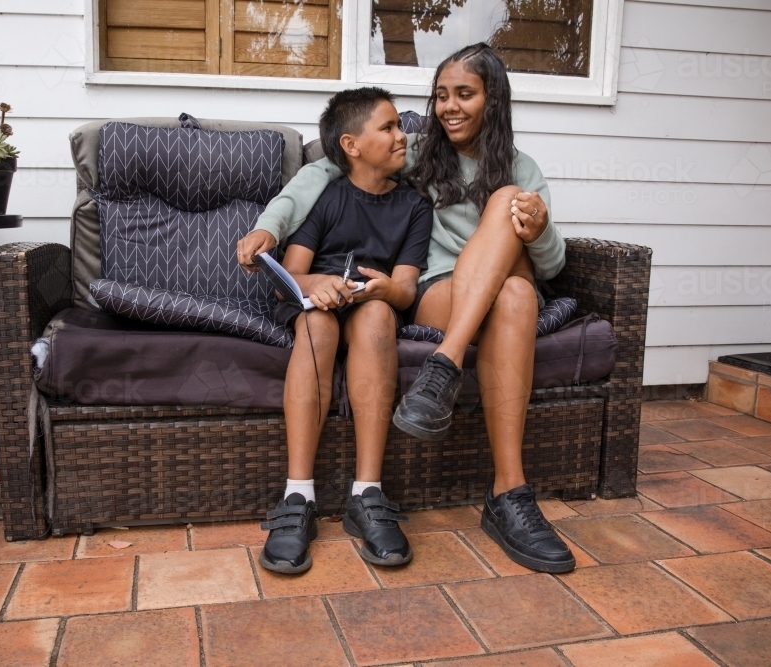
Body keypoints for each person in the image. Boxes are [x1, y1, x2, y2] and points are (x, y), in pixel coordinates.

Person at [239, 43, 575, 574]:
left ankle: (508, 492)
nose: (449, 107)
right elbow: (322, 174)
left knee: (514, 279)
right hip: (442, 293)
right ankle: (451, 370)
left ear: (494, 100)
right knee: (508, 268)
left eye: (465, 94)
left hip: (503, 297)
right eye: (441, 95)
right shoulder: (416, 150)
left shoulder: (522, 170)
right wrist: (270, 225)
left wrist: (538, 231)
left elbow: (552, 265)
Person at [257, 87, 433, 574]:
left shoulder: (415, 207)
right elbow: (289, 278)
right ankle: (298, 499)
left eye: (401, 126)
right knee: (316, 323)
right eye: (390, 127)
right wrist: (325, 285)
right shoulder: (327, 196)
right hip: (319, 301)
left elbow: (405, 290)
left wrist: (380, 291)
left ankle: (367, 494)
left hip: (370, 303)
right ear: (352, 145)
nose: (403, 136)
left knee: (378, 316)